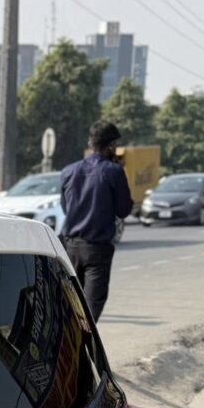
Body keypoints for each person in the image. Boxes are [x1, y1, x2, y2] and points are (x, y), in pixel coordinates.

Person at [59, 120, 133, 323]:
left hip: (70, 248)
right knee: (91, 308)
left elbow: (66, 208)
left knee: (70, 306)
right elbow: (124, 210)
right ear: (110, 146)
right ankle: (84, 350)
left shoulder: (68, 171)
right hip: (97, 250)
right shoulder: (114, 172)